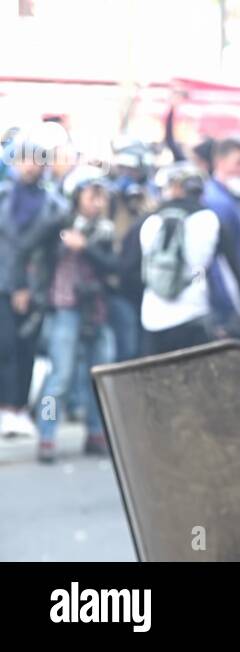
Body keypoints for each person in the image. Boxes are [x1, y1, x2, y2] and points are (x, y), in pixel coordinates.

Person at [31, 167, 117, 462]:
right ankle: (46, 436)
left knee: (99, 376)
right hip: (64, 309)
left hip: (97, 309)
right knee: (60, 377)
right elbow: (26, 250)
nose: (97, 200)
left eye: (101, 194)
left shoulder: (106, 229)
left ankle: (96, 434)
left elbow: (114, 265)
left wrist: (86, 247)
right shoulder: (58, 224)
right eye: (91, 194)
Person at [0, 130, 69, 439]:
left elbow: (50, 252)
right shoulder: (4, 197)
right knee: (6, 347)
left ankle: (18, 408)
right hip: (4, 285)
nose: (31, 165)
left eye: (37, 159)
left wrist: (29, 288)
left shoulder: (54, 205)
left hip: (36, 289)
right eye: (25, 158)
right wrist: (16, 287)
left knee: (27, 350)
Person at [140, 162, 240, 355]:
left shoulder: (149, 222)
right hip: (193, 315)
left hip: (151, 319)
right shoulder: (209, 221)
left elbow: (135, 269)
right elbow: (232, 275)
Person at [201, 137, 240, 339]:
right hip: (228, 304)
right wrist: (228, 312)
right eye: (239, 162)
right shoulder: (216, 202)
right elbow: (217, 264)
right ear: (220, 163)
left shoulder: (228, 197)